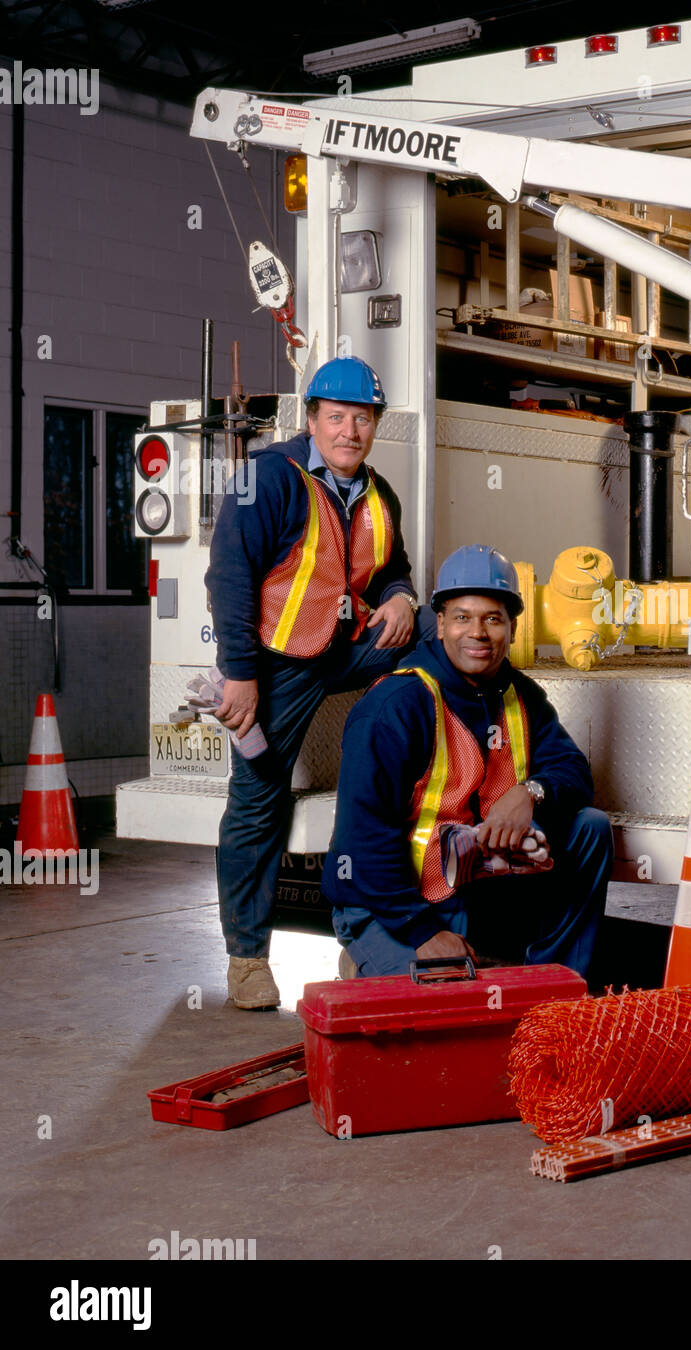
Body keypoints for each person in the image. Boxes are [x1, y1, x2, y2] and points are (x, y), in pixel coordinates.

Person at [208, 355, 420, 1007]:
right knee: (259, 799)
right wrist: (239, 676)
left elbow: (392, 568)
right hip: (279, 663)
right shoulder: (270, 478)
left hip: (350, 648)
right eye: (337, 417)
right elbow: (231, 577)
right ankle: (246, 959)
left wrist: (405, 598)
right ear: (312, 419)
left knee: (444, 635)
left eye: (362, 419)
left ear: (375, 424)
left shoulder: (378, 494)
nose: (350, 431)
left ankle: (372, 944)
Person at [321, 544, 611, 980]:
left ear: (512, 629)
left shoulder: (521, 696)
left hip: (473, 896)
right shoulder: (396, 706)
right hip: (390, 906)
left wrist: (529, 792)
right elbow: (360, 844)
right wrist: (420, 932)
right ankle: (369, 960)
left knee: (589, 827)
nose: (477, 632)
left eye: (492, 619)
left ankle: (553, 991)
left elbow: (573, 772)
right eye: (462, 617)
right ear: (439, 625)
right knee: (449, 1011)